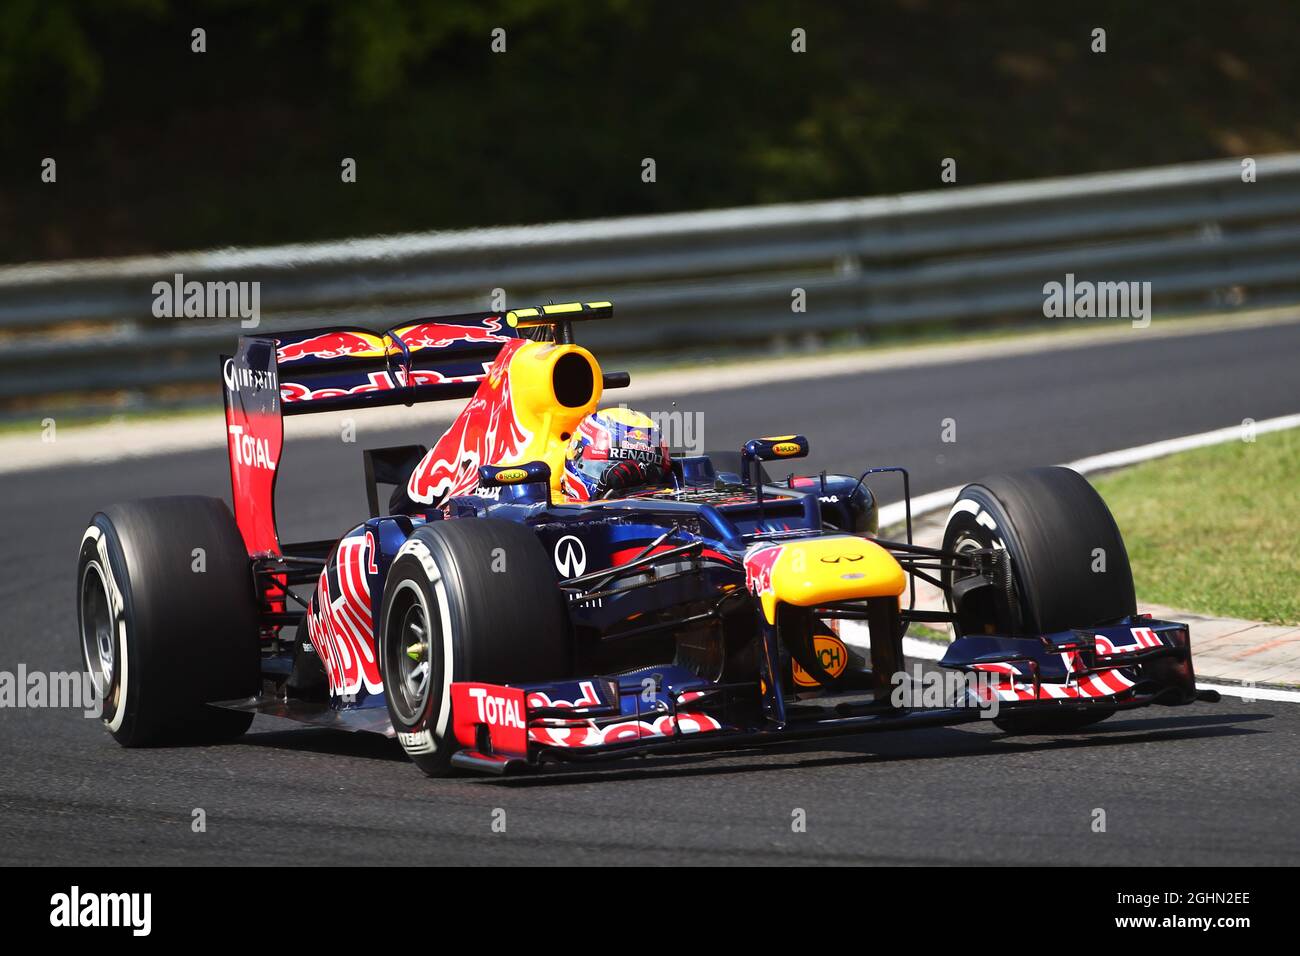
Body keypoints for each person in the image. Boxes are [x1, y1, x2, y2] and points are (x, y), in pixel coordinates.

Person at [562, 407, 671, 500]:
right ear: (576, 458)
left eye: (638, 476)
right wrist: (599, 497)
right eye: (600, 468)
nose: (622, 483)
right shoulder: (548, 507)